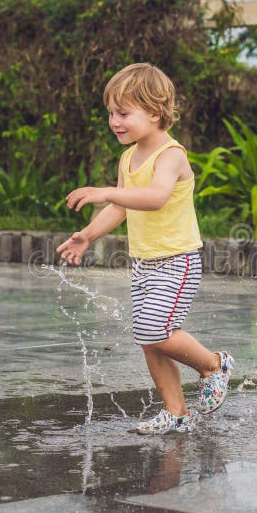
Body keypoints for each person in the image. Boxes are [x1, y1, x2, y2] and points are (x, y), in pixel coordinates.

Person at [56, 63, 234, 435]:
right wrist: (88, 235)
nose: (114, 121)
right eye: (111, 113)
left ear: (155, 112)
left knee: (156, 330)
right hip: (145, 264)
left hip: (177, 261)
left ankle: (214, 365)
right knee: (148, 340)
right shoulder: (129, 157)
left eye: (123, 113)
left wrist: (104, 190)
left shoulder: (171, 155)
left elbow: (154, 198)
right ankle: (177, 412)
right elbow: (121, 207)